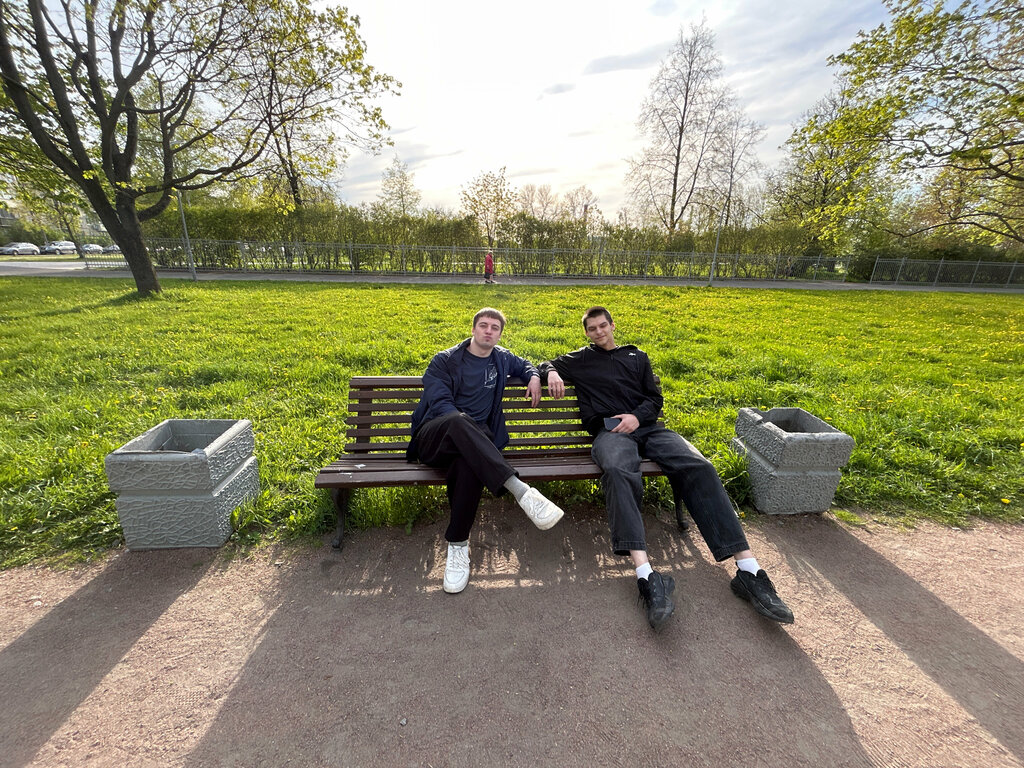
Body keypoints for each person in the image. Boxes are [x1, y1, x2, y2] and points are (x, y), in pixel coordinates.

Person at [539, 306, 794, 630]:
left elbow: (654, 399)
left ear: (613, 326)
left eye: (604, 325)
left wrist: (637, 416)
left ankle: (748, 570)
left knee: (699, 466)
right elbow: (542, 362)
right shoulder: (581, 360)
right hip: (611, 433)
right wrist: (550, 372)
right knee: (618, 471)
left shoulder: (637, 357)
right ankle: (647, 576)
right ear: (586, 333)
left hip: (650, 429)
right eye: (592, 329)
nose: (599, 332)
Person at [408, 307, 564, 593]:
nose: (488, 331)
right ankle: (521, 492)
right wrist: (467, 429)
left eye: (495, 327)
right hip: (436, 436)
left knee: (470, 465)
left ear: (500, 334)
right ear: (473, 329)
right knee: (458, 421)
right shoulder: (444, 361)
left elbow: (526, 364)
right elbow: (441, 405)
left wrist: (533, 376)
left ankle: (457, 547)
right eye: (483, 325)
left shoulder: (501, 358)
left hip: (474, 447)